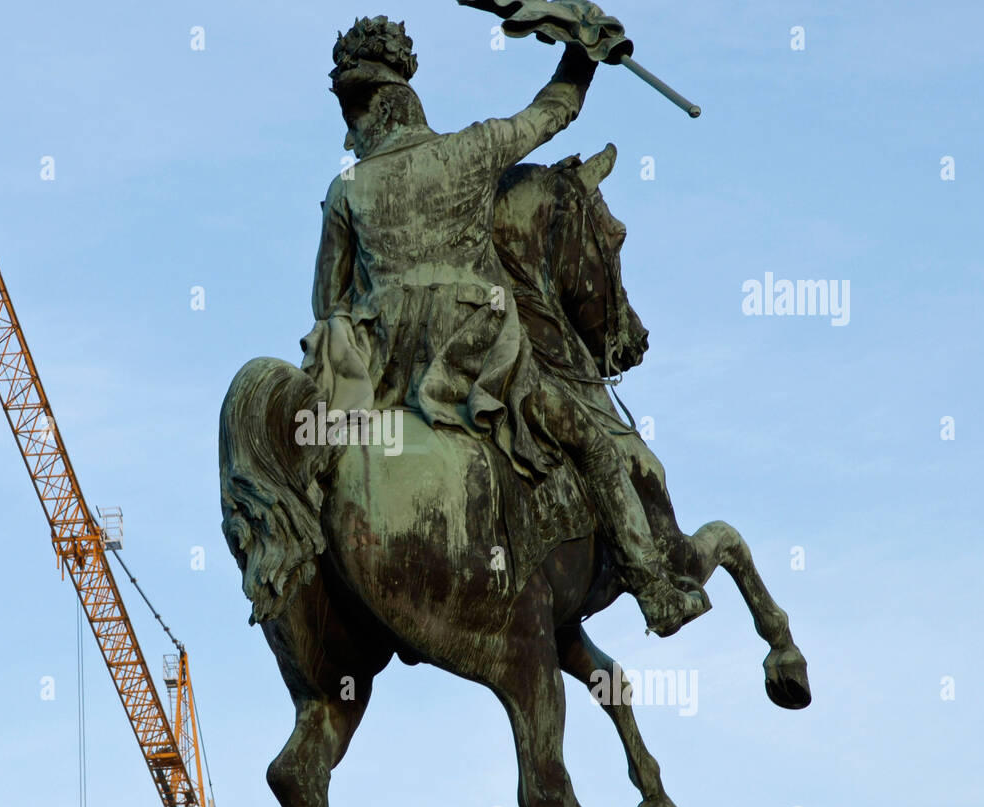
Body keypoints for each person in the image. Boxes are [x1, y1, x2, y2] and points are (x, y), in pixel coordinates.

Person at [300, 16, 706, 636]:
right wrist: (583, 54)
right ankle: (655, 587)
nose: (349, 131)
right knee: (591, 441)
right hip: (474, 350)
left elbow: (326, 302)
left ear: (371, 111)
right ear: (407, 99)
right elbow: (553, 112)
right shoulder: (470, 149)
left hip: (383, 367)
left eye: (352, 116)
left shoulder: (346, 186)